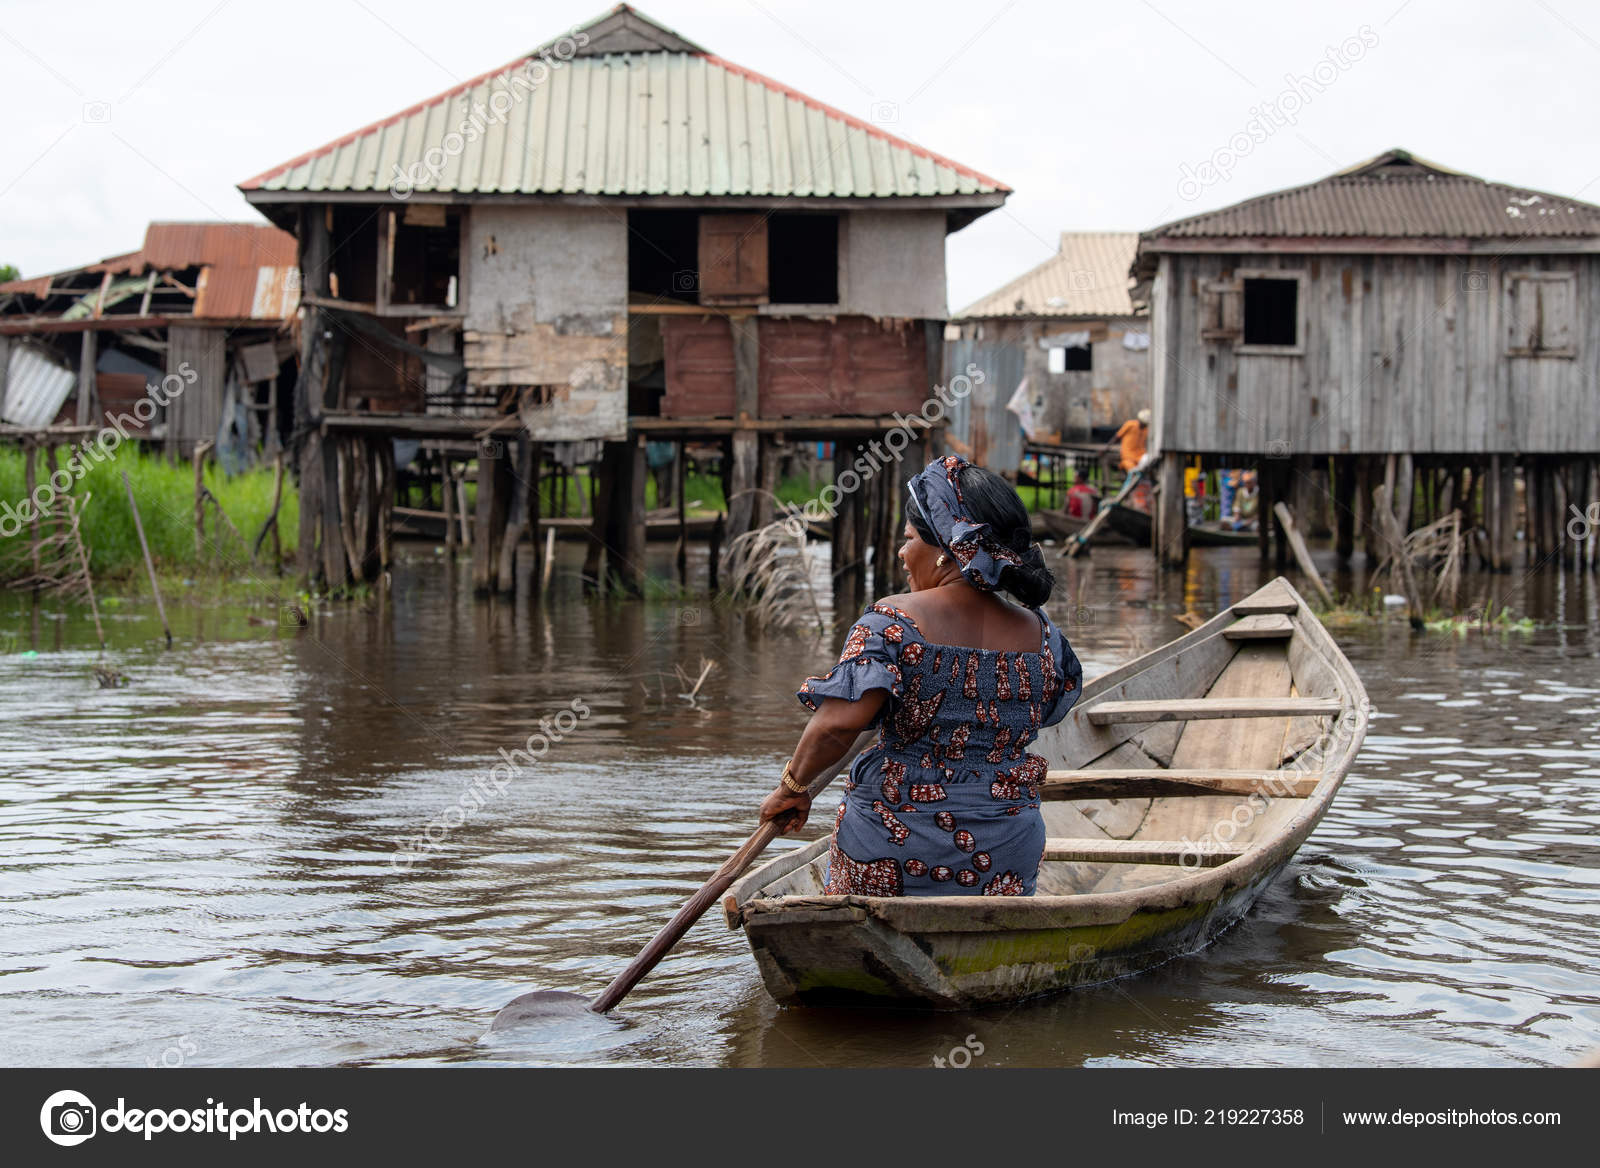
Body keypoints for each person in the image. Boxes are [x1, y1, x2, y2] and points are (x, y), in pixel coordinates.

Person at [758, 455, 1084, 897]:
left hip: (894, 846)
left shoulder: (893, 622)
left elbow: (837, 725)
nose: (901, 552)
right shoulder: (1044, 637)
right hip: (1006, 848)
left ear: (948, 551)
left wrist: (792, 788)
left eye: (909, 539)